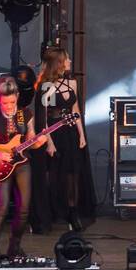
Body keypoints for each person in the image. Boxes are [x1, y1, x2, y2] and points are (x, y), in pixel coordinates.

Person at [0, 74, 43, 258]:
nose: (9, 107)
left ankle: (15, 246)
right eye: (5, 103)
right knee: (3, 207)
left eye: (12, 102)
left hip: (22, 163)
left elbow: (32, 141)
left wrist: (39, 140)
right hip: (0, 164)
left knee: (24, 209)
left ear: (17, 97)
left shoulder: (25, 114)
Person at [32, 47, 92, 233]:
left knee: (72, 174)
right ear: (58, 62)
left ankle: (73, 214)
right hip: (53, 134)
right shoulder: (46, 86)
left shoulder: (71, 83)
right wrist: (49, 142)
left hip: (71, 133)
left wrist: (82, 134)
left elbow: (75, 110)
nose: (70, 61)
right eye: (67, 59)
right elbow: (43, 118)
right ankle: (48, 214)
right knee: (53, 176)